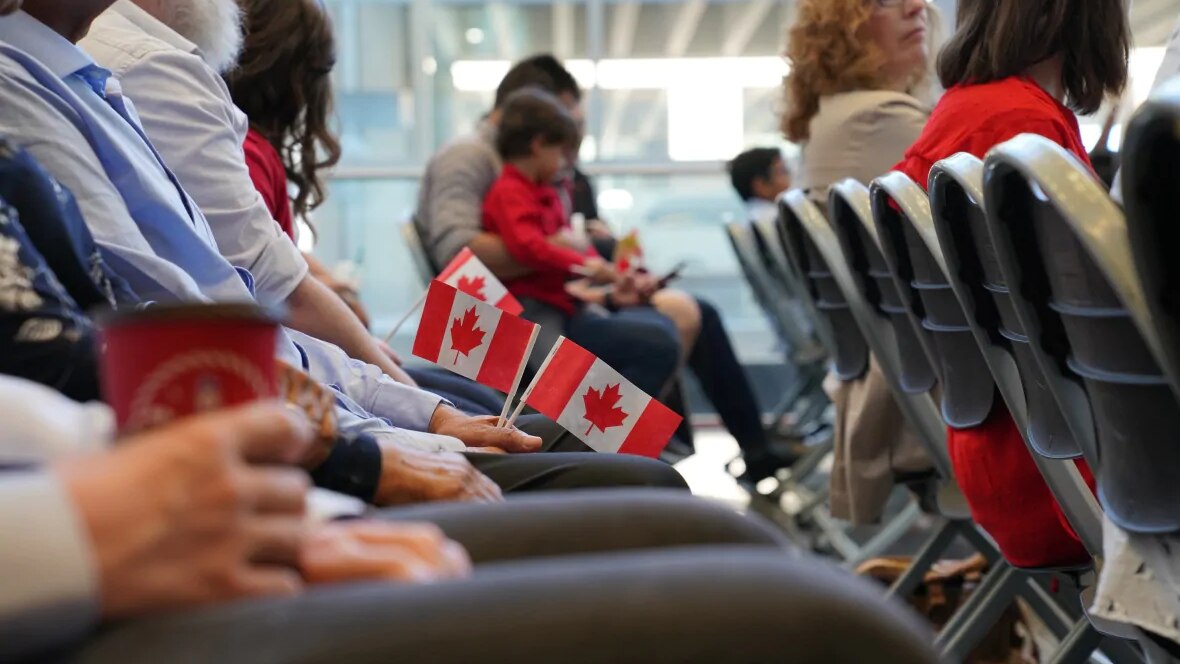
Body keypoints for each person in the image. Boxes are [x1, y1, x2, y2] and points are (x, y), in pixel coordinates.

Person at [0, 1, 694, 501]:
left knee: (631, 438)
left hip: (310, 419)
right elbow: (213, 318)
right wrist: (365, 449)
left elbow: (234, 299)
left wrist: (412, 410)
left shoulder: (92, 81)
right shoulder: (98, 76)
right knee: (645, 430)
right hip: (290, 452)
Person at [0, 374, 944, 664]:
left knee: (715, 536)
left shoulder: (83, 89)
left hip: (113, 498)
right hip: (69, 583)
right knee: (803, 621)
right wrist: (73, 532)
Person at [891, 0, 1129, 567]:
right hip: (1078, 470)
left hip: (1016, 461)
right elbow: (1097, 331)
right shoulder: (1019, 127)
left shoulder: (976, 109)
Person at [780, 0, 934, 525]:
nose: (919, 6)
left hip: (886, 375)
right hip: (927, 389)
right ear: (841, 30)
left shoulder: (837, 114)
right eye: (886, 2)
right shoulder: (881, 118)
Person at [728, 147, 793, 224]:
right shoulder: (775, 219)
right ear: (762, 186)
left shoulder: (755, 216)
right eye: (783, 172)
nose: (790, 177)